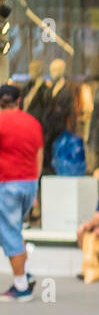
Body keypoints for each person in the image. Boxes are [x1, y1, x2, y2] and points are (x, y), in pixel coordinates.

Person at [0, 83, 44, 302]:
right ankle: (24, 276)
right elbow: (39, 155)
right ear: (19, 100)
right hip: (29, 183)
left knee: (9, 233)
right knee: (14, 231)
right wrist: (35, 183)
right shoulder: (33, 122)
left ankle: (21, 285)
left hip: (6, 184)